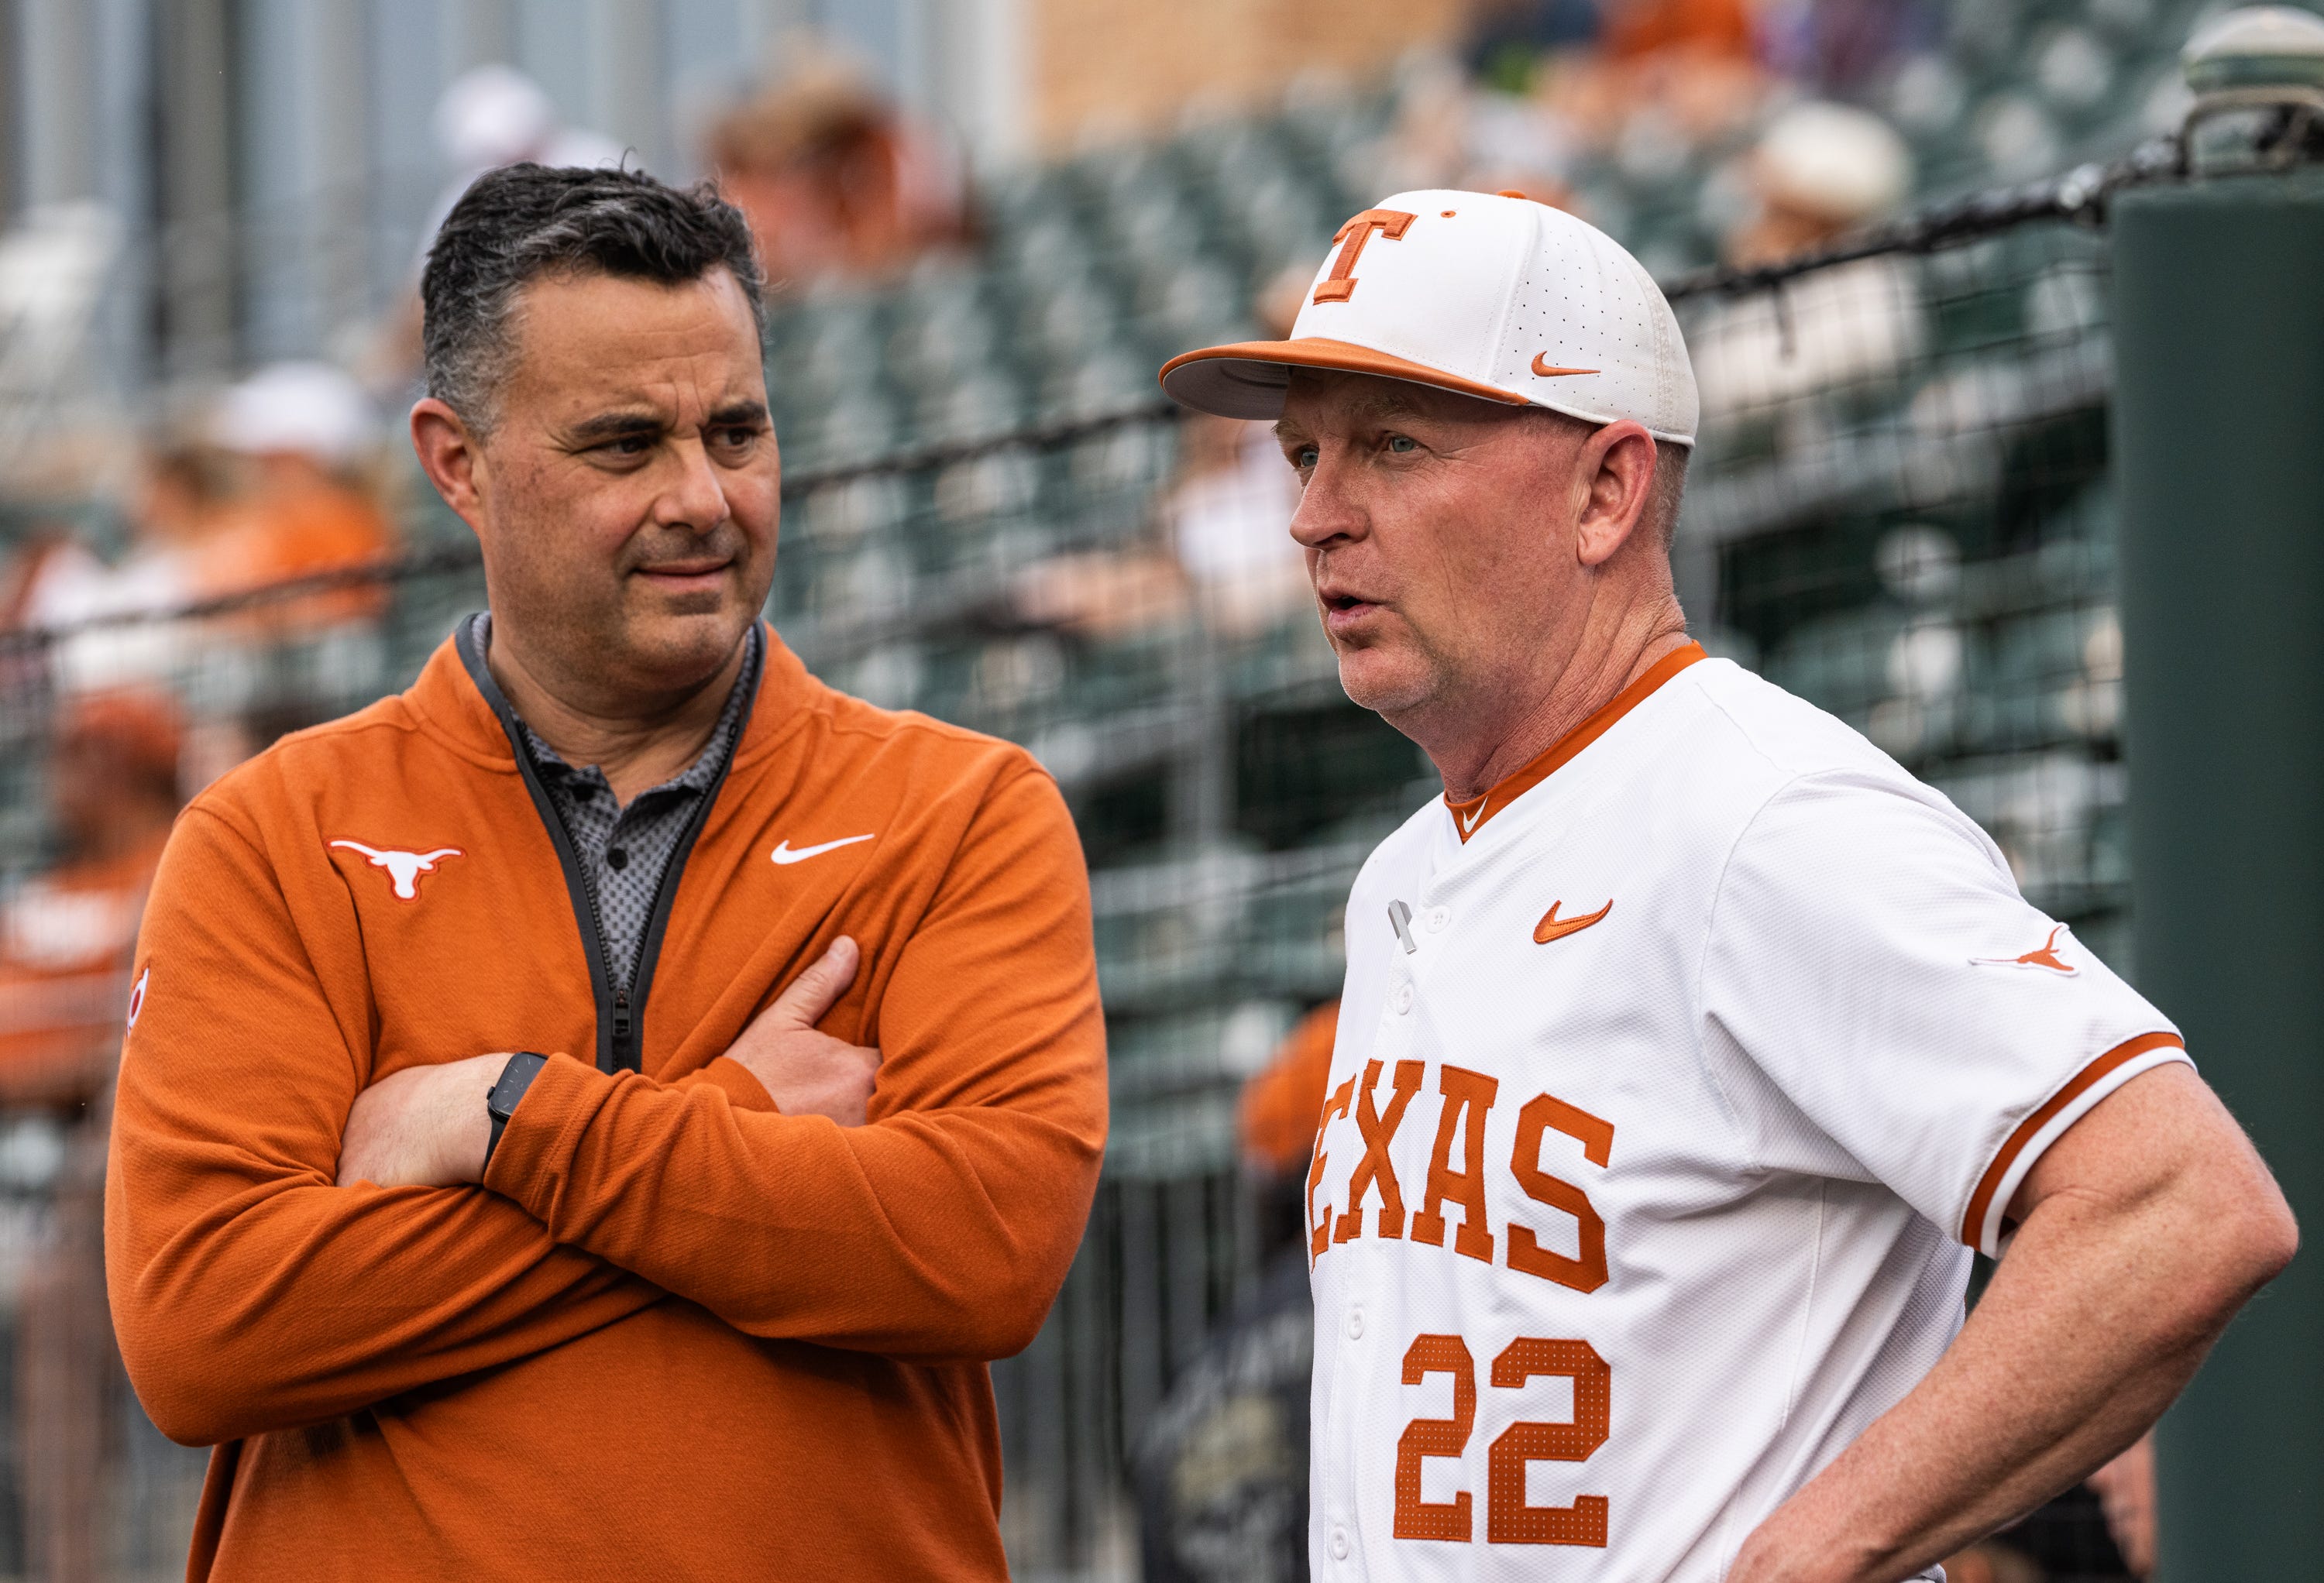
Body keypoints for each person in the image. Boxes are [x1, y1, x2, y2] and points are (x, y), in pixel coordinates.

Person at [1157, 190, 2295, 1580]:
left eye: (1393, 445)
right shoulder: (1402, 871)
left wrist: (1811, 1552)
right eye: (1302, 454)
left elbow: (2180, 1204)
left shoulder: (1767, 819)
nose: (1313, 517)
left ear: (1605, 491)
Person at [105, 165, 1107, 1579]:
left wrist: (506, 1118)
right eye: (625, 446)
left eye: (737, 432)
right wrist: (737, 1116)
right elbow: (208, 1330)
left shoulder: (961, 809)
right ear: (456, 463)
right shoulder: (273, 835)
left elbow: (979, 1249)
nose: (702, 499)